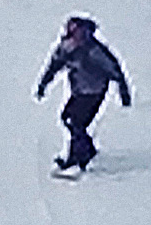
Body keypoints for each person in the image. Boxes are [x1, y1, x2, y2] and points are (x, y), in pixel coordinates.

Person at [36, 16, 131, 173]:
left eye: (79, 32)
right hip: (79, 91)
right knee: (68, 119)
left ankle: (79, 157)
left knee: (76, 122)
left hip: (94, 92)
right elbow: (54, 65)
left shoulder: (94, 51)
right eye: (72, 31)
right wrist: (43, 85)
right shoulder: (66, 47)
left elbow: (115, 70)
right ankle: (85, 151)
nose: (75, 36)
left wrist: (124, 92)